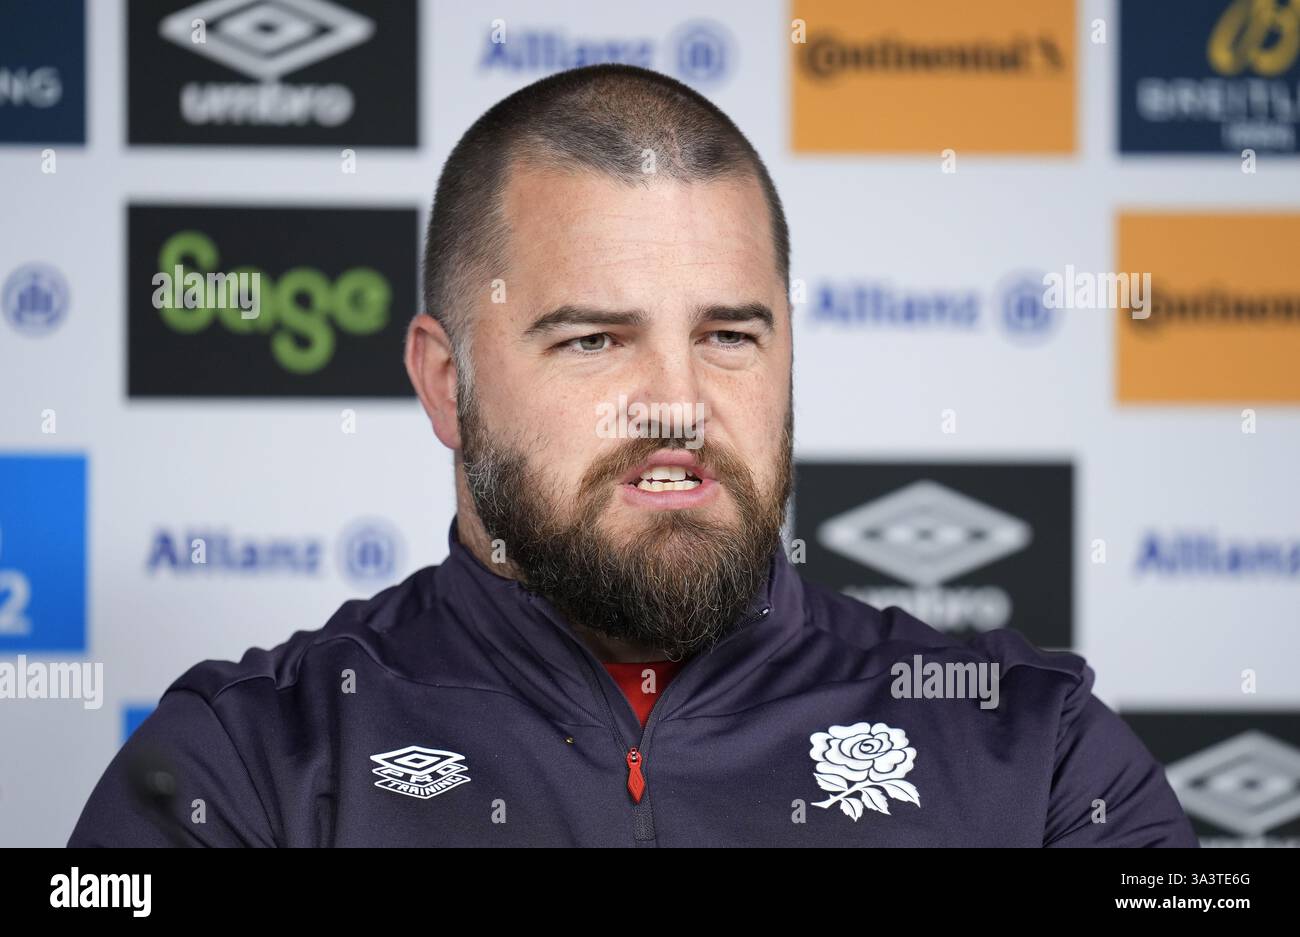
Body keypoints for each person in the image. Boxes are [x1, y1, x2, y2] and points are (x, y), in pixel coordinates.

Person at [69, 64, 1197, 847]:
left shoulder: (1034, 753)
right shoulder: (242, 769)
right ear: (444, 381)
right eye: (595, 338)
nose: (676, 405)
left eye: (728, 335)